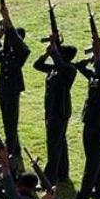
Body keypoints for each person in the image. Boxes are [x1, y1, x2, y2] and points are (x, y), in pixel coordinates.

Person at [72, 39, 100, 199]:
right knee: (97, 157)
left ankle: (83, 196)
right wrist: (91, 59)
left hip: (98, 124)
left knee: (92, 162)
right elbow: (79, 66)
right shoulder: (95, 77)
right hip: (90, 121)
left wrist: (97, 58)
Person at [33, 38, 78, 185]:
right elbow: (37, 65)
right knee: (60, 142)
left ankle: (49, 178)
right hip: (52, 109)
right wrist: (47, 54)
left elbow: (60, 64)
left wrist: (54, 53)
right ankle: (62, 172)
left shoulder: (69, 70)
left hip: (59, 111)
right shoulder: (56, 68)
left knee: (53, 144)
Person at [0, 1, 29, 158]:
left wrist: (7, 19)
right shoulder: (7, 53)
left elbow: (21, 46)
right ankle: (14, 149)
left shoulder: (20, 54)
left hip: (12, 90)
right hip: (3, 89)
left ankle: (12, 151)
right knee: (7, 121)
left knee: (11, 123)